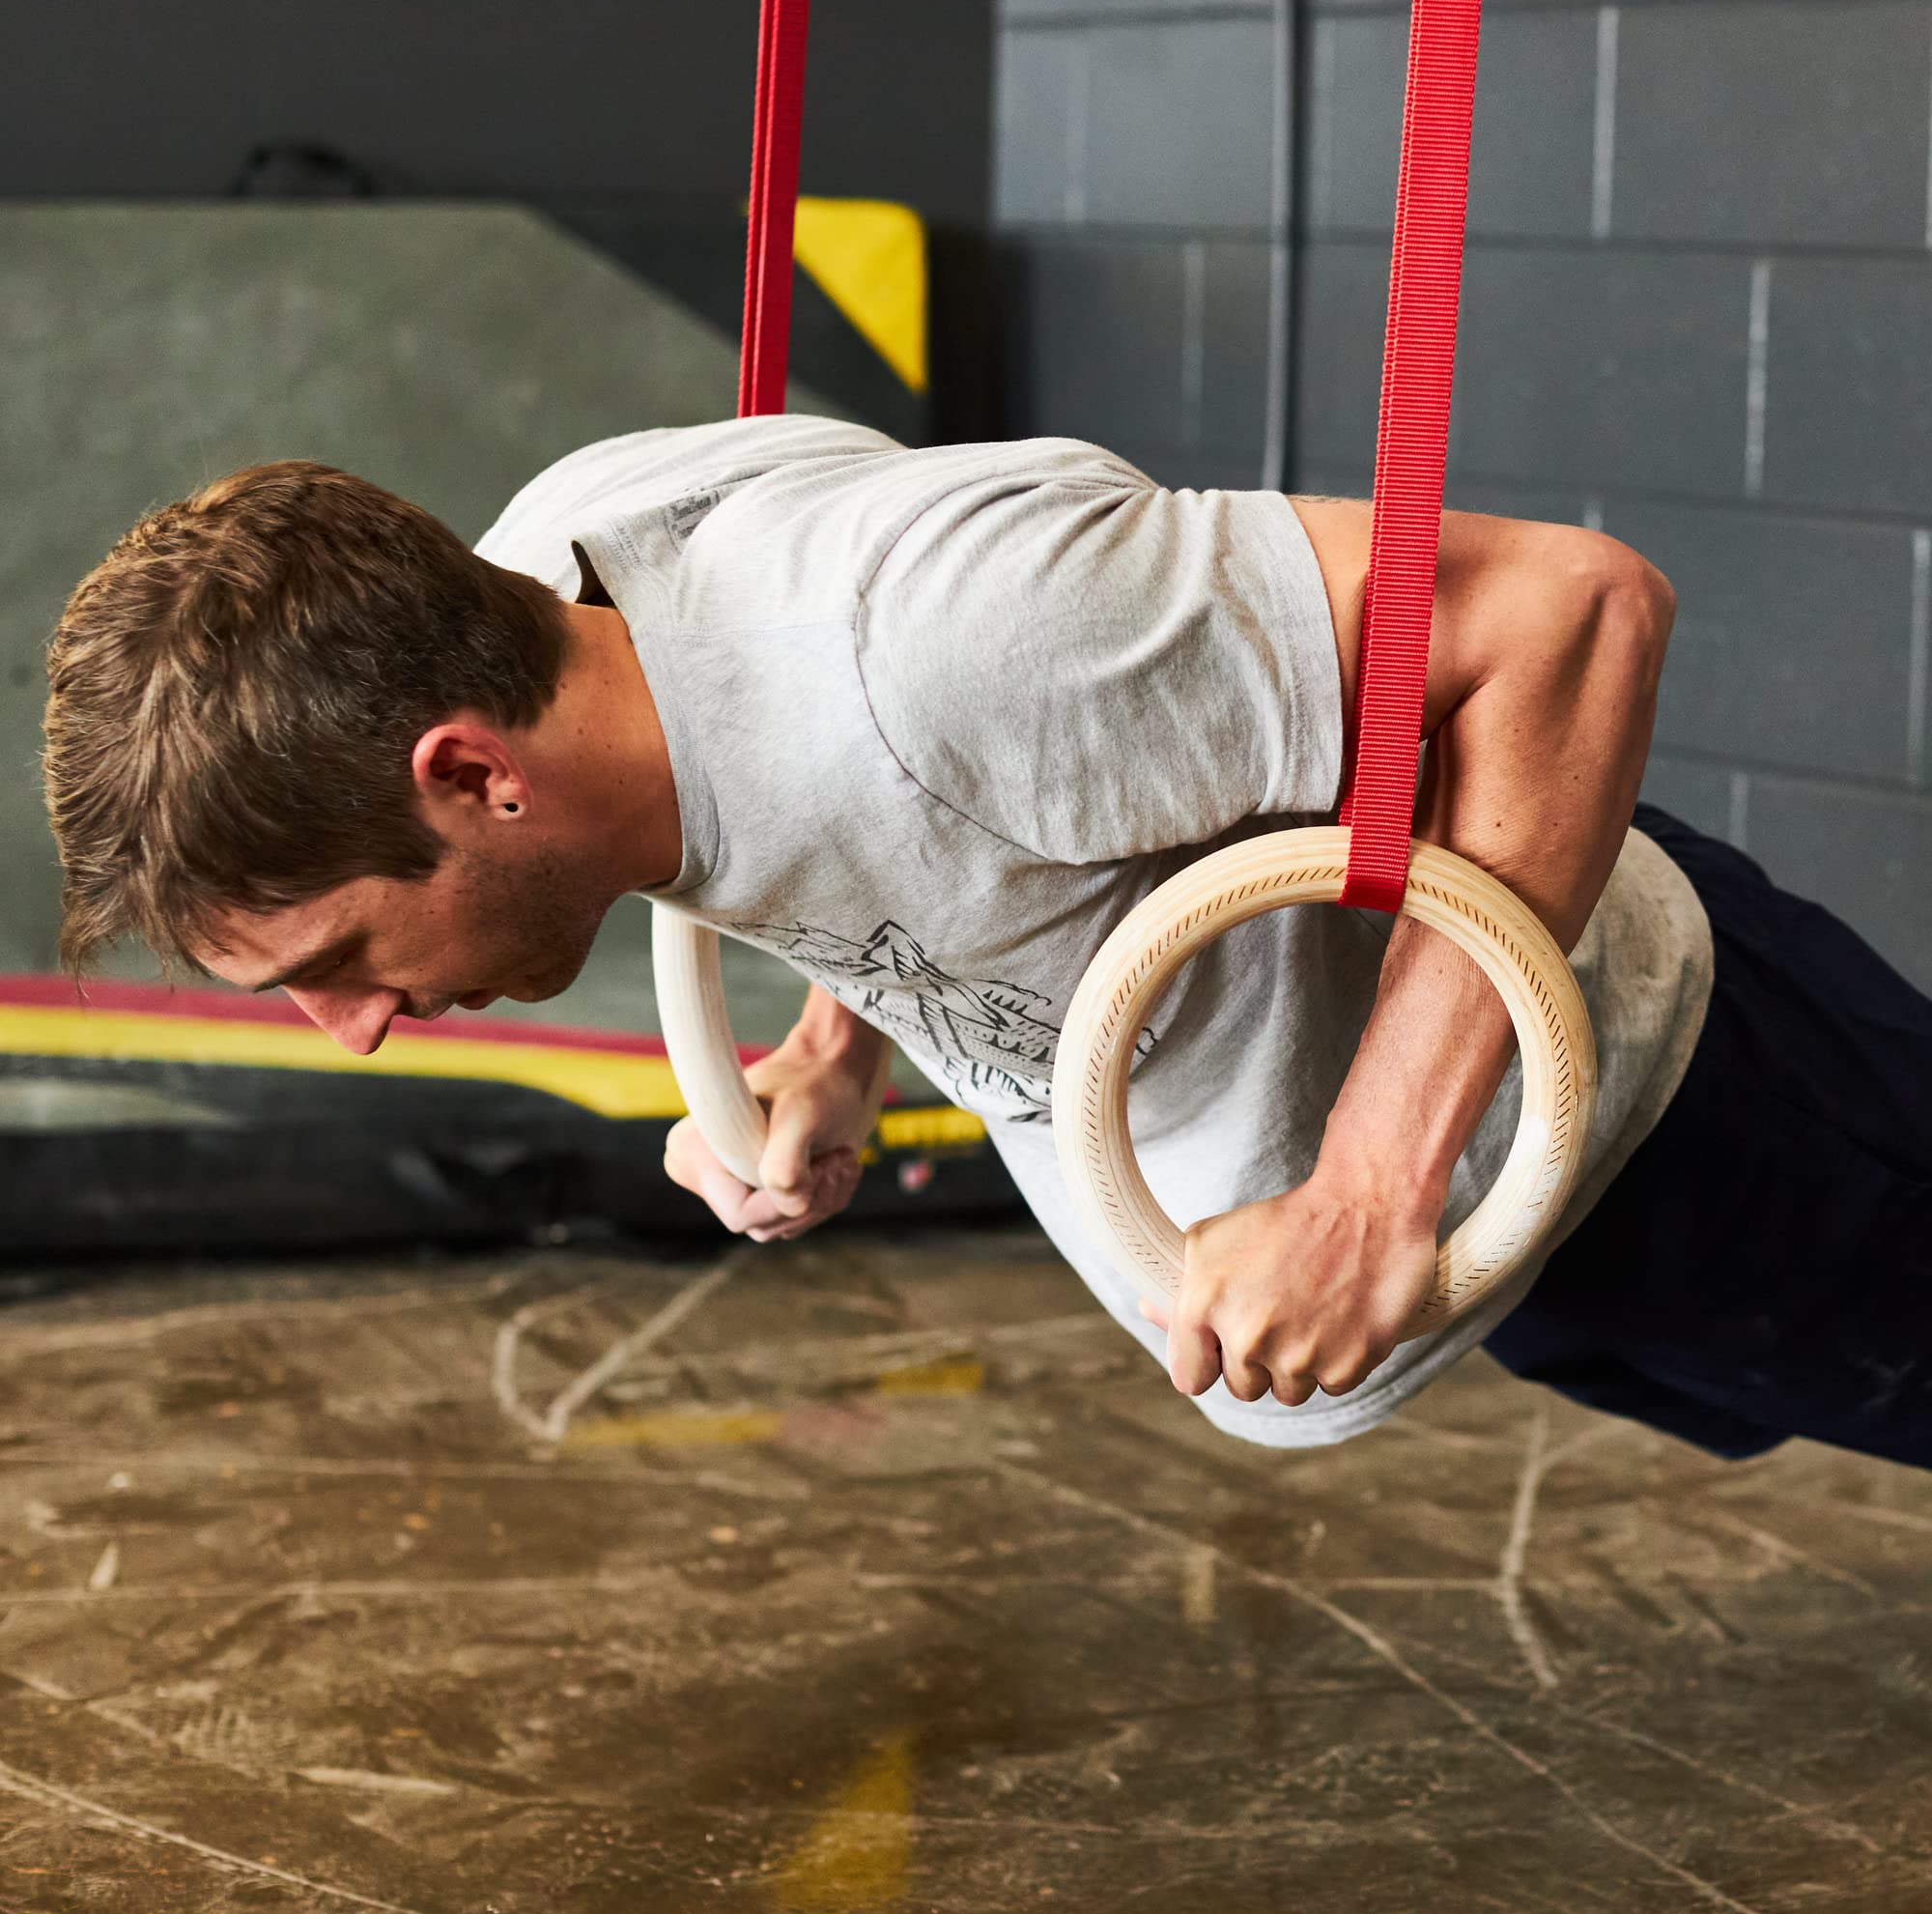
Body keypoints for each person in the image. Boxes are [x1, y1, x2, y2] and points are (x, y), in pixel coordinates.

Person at [42, 417, 1932, 1467]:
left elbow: (1573, 612)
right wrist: (835, 1053)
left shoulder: (947, 634)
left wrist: (1365, 1185)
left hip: (1677, 1118)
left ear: (467, 774)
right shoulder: (568, 547)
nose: (352, 1029)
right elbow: (888, 812)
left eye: (344, 958)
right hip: (1479, 1230)